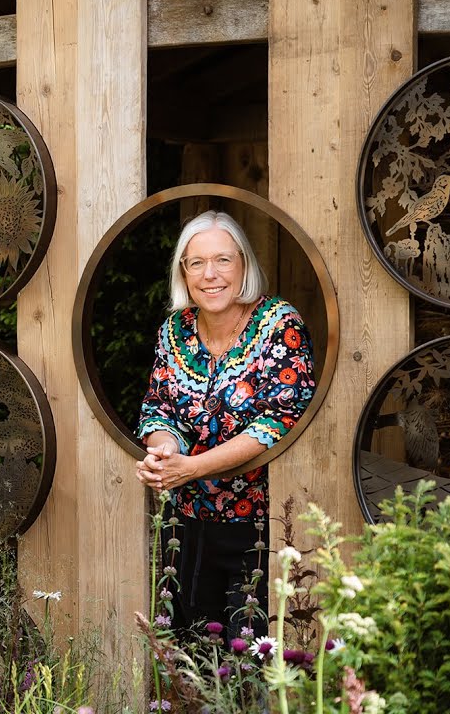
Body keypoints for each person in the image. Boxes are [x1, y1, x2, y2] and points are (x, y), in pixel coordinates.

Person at [134, 209, 316, 640]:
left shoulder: (278, 323)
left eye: (223, 260)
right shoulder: (175, 330)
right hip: (187, 524)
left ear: (244, 265)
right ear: (183, 272)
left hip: (261, 526)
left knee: (249, 653)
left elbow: (279, 420)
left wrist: (191, 468)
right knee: (193, 648)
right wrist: (165, 453)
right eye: (197, 262)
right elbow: (158, 408)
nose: (210, 274)